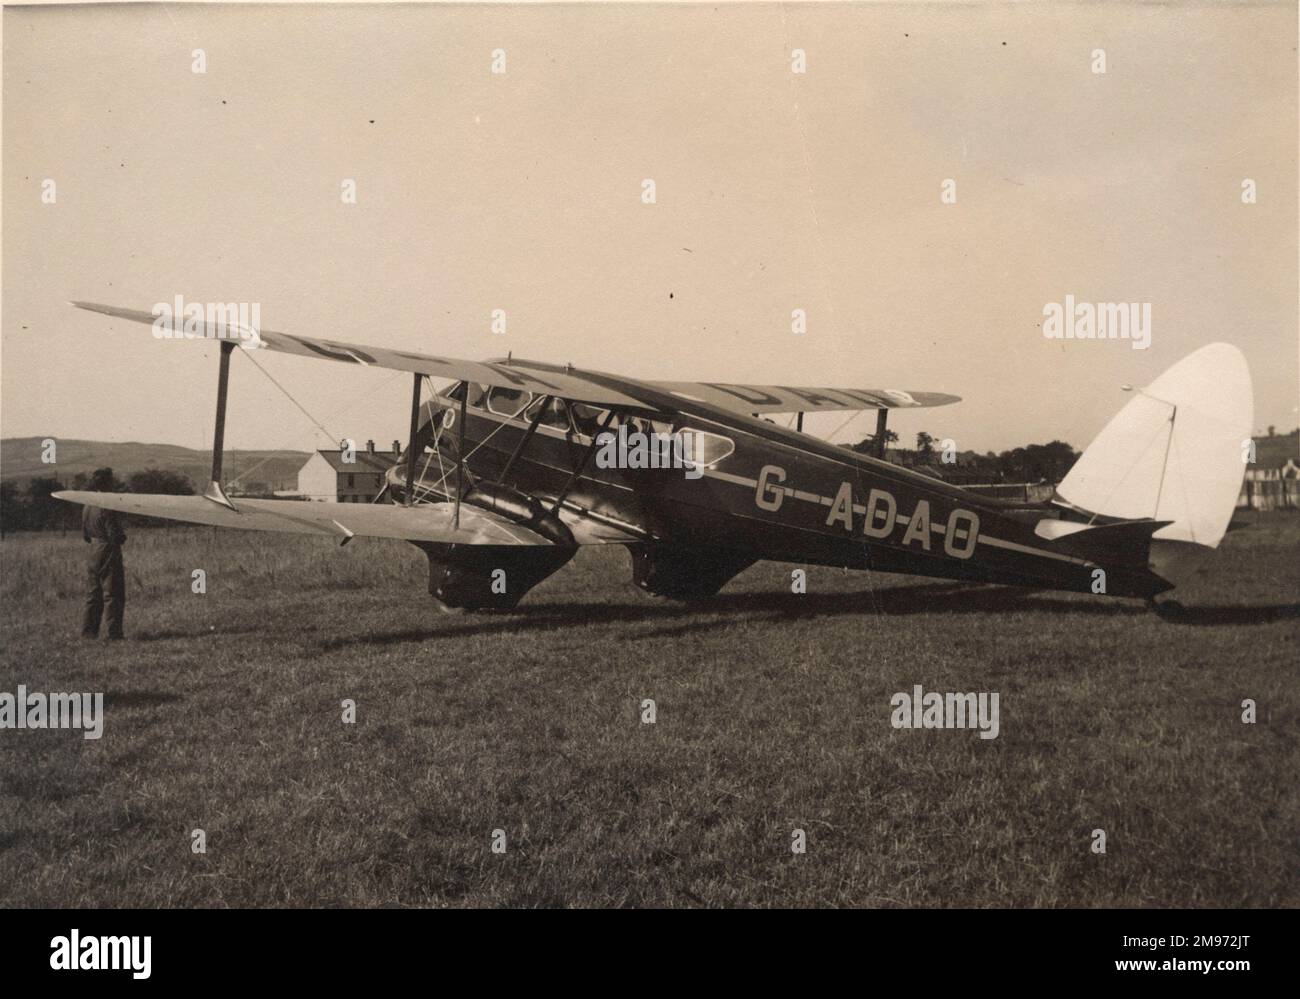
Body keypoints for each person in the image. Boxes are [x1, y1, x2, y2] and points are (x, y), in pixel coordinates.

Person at [81, 469, 127, 640]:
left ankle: (88, 633)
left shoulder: (87, 505)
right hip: (108, 551)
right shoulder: (107, 505)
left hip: (93, 551)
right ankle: (114, 634)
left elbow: (85, 535)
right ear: (107, 483)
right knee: (113, 594)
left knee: (93, 595)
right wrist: (122, 537)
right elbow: (115, 535)